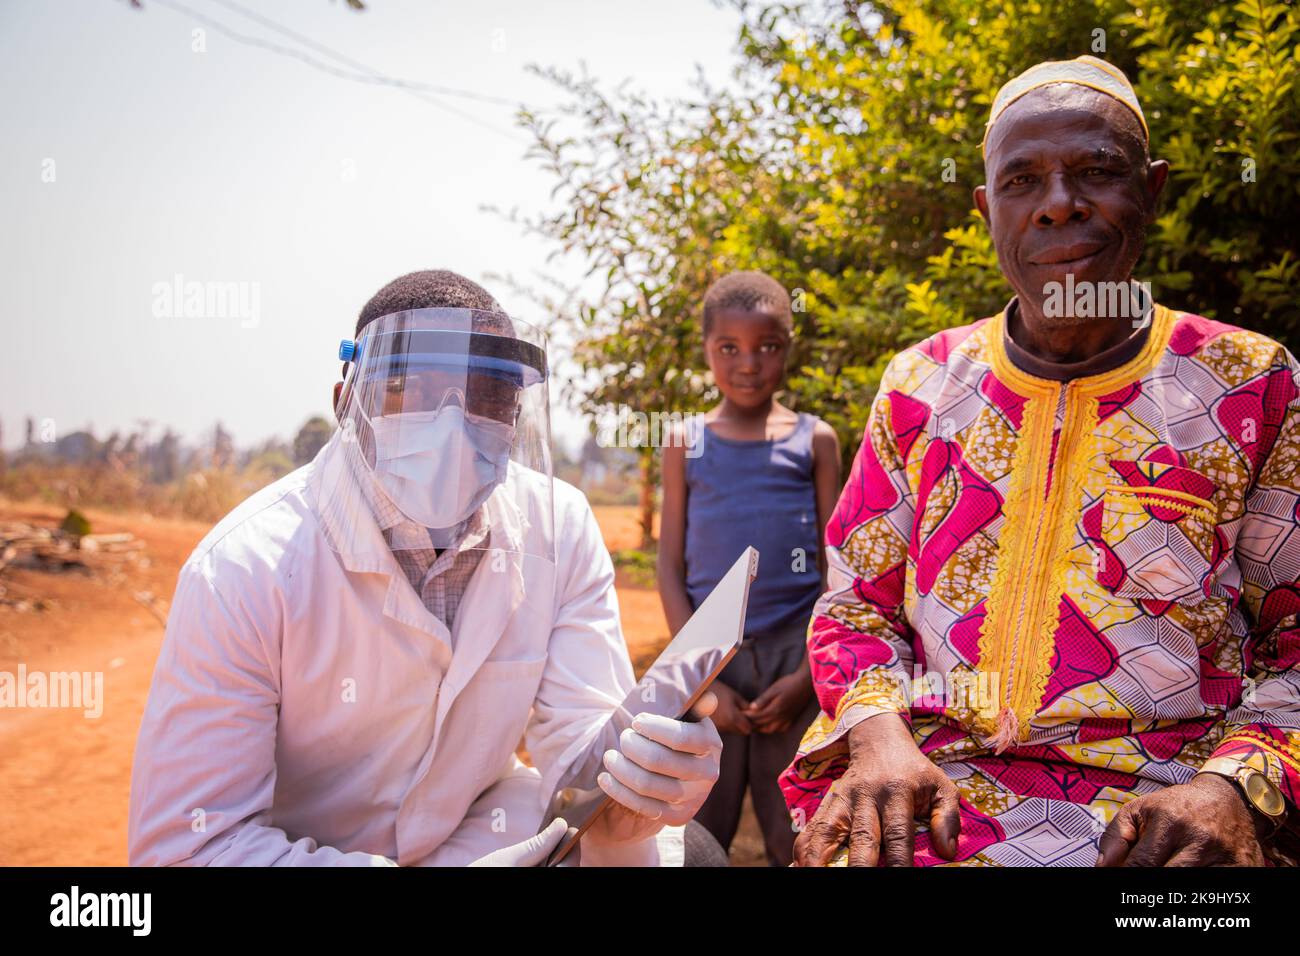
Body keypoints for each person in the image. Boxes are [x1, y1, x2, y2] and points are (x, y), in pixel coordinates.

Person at [782, 57, 1300, 867]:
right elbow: (857, 610)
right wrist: (881, 741)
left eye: (1096, 171)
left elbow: (1295, 642)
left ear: (1153, 189)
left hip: (1170, 810)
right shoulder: (920, 386)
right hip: (933, 788)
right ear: (990, 209)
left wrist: (1233, 789)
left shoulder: (1251, 382)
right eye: (1023, 181)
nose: (1059, 204)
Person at [128, 269, 722, 866]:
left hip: (479, 831)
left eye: (490, 396)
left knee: (686, 855)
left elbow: (581, 744)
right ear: (345, 403)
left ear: (517, 416)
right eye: (409, 388)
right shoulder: (244, 568)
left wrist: (642, 784)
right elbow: (188, 850)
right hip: (307, 856)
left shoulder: (557, 526)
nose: (452, 425)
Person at [658, 271, 841, 866]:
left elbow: (837, 573)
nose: (749, 363)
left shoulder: (816, 441)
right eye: (728, 348)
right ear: (706, 350)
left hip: (796, 654)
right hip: (710, 658)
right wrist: (700, 679)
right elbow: (669, 567)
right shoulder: (686, 440)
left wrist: (811, 676)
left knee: (795, 828)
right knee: (698, 829)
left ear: (788, 347)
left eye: (768, 347)